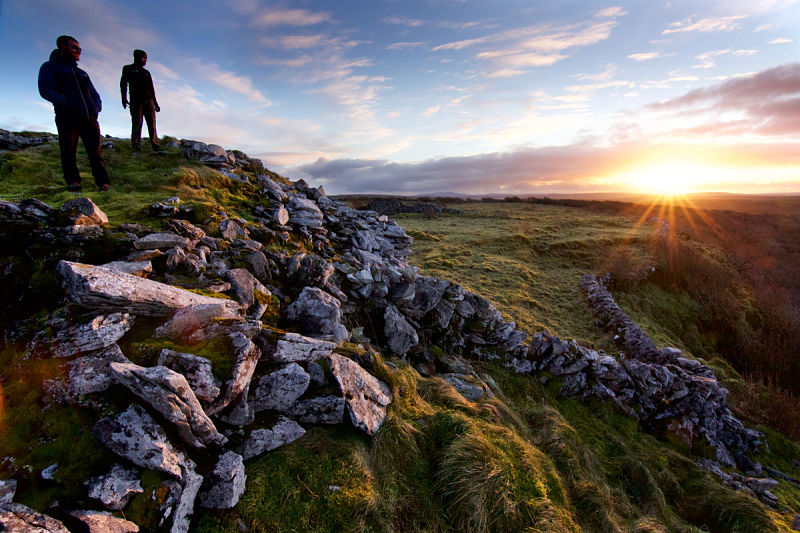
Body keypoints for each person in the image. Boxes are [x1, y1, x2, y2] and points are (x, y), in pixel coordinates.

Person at [38, 35, 111, 192]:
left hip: (89, 118)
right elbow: (45, 89)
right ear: (62, 47)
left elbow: (94, 93)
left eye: (80, 48)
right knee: (68, 151)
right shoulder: (50, 67)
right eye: (74, 47)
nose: (79, 51)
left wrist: (96, 107)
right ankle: (73, 182)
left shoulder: (82, 73)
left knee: (96, 152)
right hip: (67, 117)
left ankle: (103, 183)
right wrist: (66, 102)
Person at [120, 49, 161, 152]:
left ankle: (155, 145)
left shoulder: (146, 72)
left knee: (152, 123)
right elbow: (123, 84)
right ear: (137, 57)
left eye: (146, 58)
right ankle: (136, 146)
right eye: (144, 58)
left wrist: (155, 103)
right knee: (137, 123)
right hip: (136, 101)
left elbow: (152, 89)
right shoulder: (128, 69)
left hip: (149, 101)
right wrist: (123, 98)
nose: (145, 60)